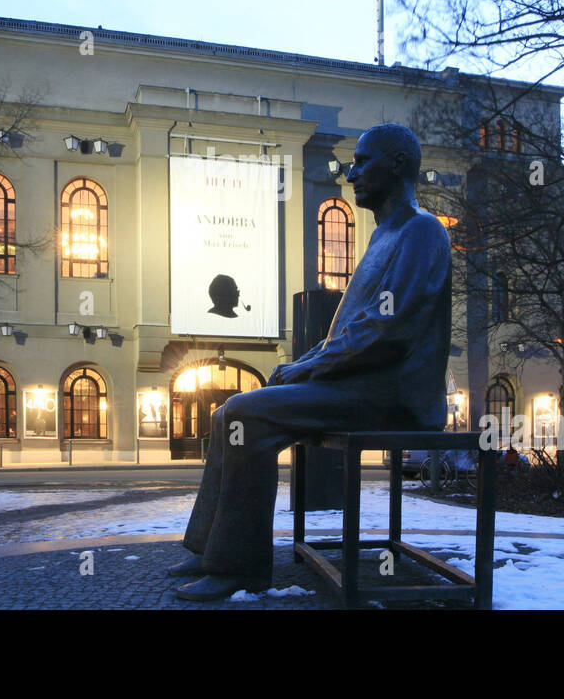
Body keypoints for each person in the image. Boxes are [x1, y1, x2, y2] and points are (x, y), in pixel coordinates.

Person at [168, 123, 453, 600]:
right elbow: (350, 331)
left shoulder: (421, 232)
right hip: (361, 387)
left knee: (245, 413)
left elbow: (388, 328)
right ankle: (210, 547)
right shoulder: (385, 235)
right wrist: (308, 363)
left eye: (363, 161)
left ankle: (239, 567)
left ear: (399, 164)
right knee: (227, 413)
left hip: (393, 395)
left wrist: (308, 367)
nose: (352, 171)